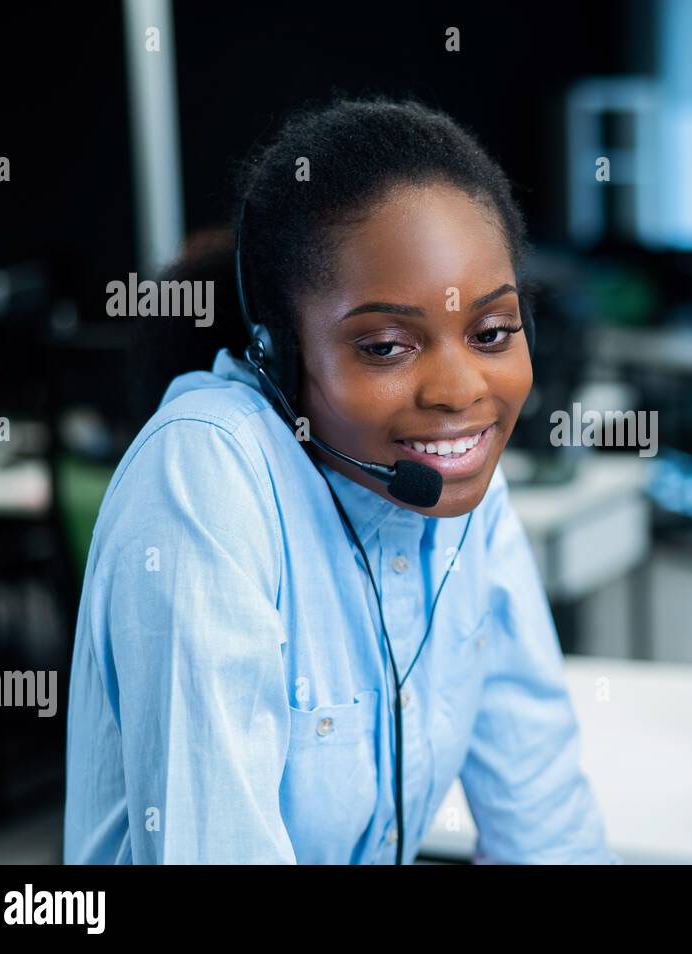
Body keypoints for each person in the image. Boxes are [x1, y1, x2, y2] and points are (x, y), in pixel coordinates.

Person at [63, 96, 619, 864]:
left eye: (492, 333)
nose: (460, 391)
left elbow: (547, 824)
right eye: (387, 346)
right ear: (280, 354)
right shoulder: (204, 478)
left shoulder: (464, 499)